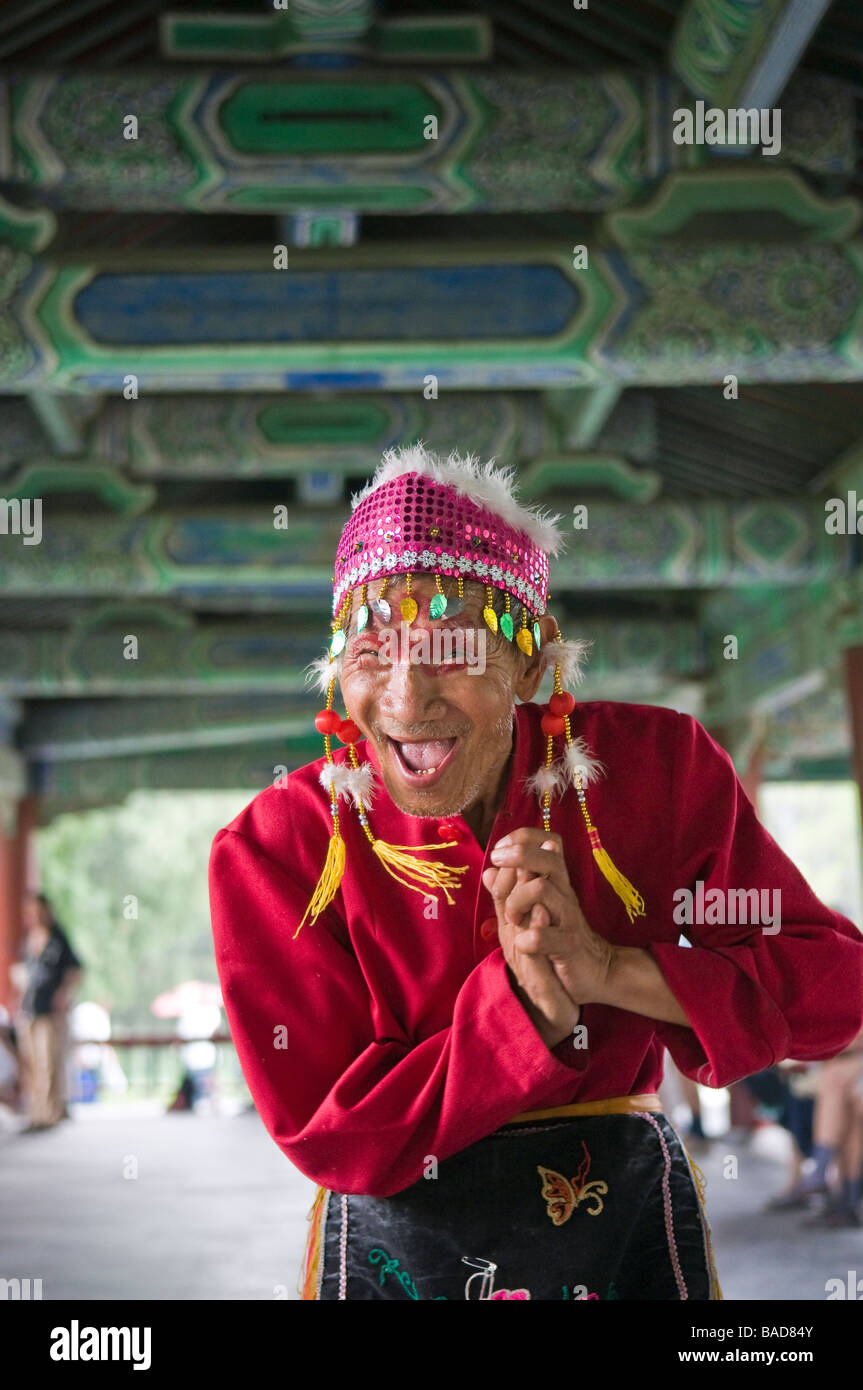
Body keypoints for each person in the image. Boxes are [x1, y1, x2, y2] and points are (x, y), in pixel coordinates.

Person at [209, 443, 863, 1301]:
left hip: (617, 1229)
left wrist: (614, 971)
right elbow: (331, 1134)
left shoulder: (655, 767)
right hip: (400, 1253)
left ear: (529, 661)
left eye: (450, 649)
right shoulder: (277, 845)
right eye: (371, 653)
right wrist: (520, 1015)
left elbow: (835, 988)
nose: (406, 701)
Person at [17, 892, 83, 1131]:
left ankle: (49, 1113)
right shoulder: (29, 940)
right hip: (30, 1008)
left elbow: (76, 970)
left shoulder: (58, 938)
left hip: (50, 1011)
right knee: (32, 1064)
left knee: (48, 1063)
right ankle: (36, 1110)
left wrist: (63, 994)